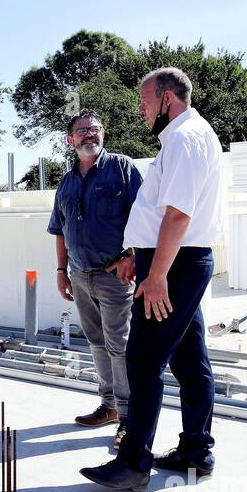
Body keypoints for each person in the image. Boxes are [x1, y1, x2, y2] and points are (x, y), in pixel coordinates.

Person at [81, 67, 225, 491]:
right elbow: (161, 213)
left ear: (167, 98)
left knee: (143, 360)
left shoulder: (185, 138)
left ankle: (133, 463)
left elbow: (178, 215)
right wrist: (137, 255)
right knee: (189, 361)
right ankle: (195, 451)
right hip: (174, 261)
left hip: (174, 265)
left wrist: (157, 273)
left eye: (145, 102)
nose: (141, 111)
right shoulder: (182, 137)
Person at [48, 111, 144, 443]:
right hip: (80, 275)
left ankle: (129, 418)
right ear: (70, 139)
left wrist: (132, 256)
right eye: (82, 131)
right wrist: (61, 271)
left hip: (115, 276)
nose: (90, 135)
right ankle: (109, 405)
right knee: (97, 342)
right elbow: (59, 230)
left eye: (95, 129)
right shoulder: (66, 182)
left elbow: (145, 216)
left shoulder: (122, 168)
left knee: (119, 344)